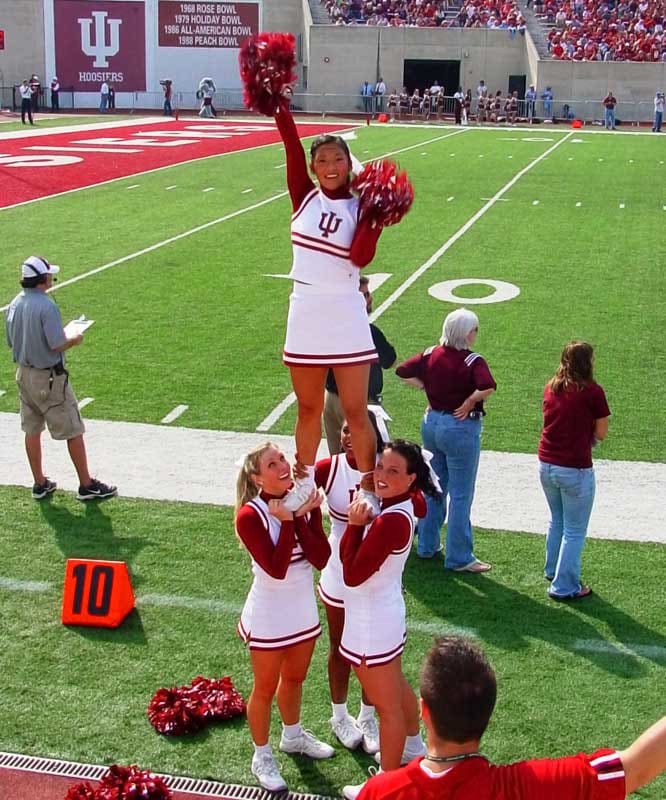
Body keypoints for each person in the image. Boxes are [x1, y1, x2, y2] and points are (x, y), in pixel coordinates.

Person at [356, 635, 666, 800]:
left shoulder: (380, 792)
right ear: (487, 712)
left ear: (424, 710)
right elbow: (634, 769)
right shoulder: (526, 787)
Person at [272, 91, 388, 516]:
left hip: (344, 310)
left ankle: (369, 487)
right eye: (322, 161)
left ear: (348, 162)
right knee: (308, 407)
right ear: (312, 167)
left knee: (357, 410)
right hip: (305, 308)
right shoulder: (302, 196)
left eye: (337, 159)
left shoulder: (363, 206)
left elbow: (361, 258)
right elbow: (289, 141)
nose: (330, 167)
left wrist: (375, 220)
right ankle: (303, 483)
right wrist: (279, 102)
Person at [340, 440, 439, 799]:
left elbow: (351, 574)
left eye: (392, 471)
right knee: (396, 687)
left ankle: (385, 785)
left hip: (371, 622)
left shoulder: (390, 521)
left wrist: (353, 526)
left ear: (412, 478)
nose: (381, 475)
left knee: (387, 709)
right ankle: (414, 748)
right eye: (380, 466)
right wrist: (373, 487)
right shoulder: (408, 503)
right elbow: (417, 502)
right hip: (383, 613)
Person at [235, 442, 334, 792]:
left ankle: (293, 736)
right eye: (272, 463)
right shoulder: (250, 516)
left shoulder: (302, 501)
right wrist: (290, 521)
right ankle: (261, 754)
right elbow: (276, 569)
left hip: (302, 610)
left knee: (294, 679)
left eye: (282, 459)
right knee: (263, 688)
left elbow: (321, 558)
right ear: (258, 478)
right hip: (269, 613)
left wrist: (306, 517)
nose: (283, 466)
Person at [4, 256, 118, 501]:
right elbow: (57, 344)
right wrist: (75, 338)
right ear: (42, 279)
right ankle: (86, 484)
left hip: (24, 374)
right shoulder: (46, 306)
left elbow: (11, 341)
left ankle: (39, 482)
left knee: (31, 429)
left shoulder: (15, 303)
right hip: (49, 379)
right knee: (73, 428)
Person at [396, 308, 496, 569]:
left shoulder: (431, 353)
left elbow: (402, 370)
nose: (476, 333)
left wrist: (426, 387)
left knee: (434, 485)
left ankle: (427, 545)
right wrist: (470, 400)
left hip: (432, 424)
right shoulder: (472, 360)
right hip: (460, 428)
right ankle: (460, 557)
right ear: (466, 333)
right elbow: (487, 386)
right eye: (474, 329)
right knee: (462, 494)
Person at [314, 415, 385, 755]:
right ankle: (339, 716)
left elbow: (417, 504)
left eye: (354, 430)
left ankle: (367, 716)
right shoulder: (329, 467)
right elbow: (296, 495)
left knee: (370, 649)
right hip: (338, 568)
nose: (347, 437)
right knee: (340, 645)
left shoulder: (387, 469)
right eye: (343, 430)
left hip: (375, 572)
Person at [538, 341, 610, 601]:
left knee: (557, 520)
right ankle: (564, 585)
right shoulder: (592, 392)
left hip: (546, 465)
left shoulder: (551, 387)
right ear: (586, 362)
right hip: (574, 469)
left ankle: (552, 569)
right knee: (575, 530)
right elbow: (601, 432)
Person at [324, 276, 396, 456]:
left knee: (338, 460)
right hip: (358, 403)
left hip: (330, 401)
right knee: (372, 457)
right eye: (365, 295)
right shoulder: (367, 331)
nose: (370, 298)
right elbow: (390, 360)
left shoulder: (329, 327)